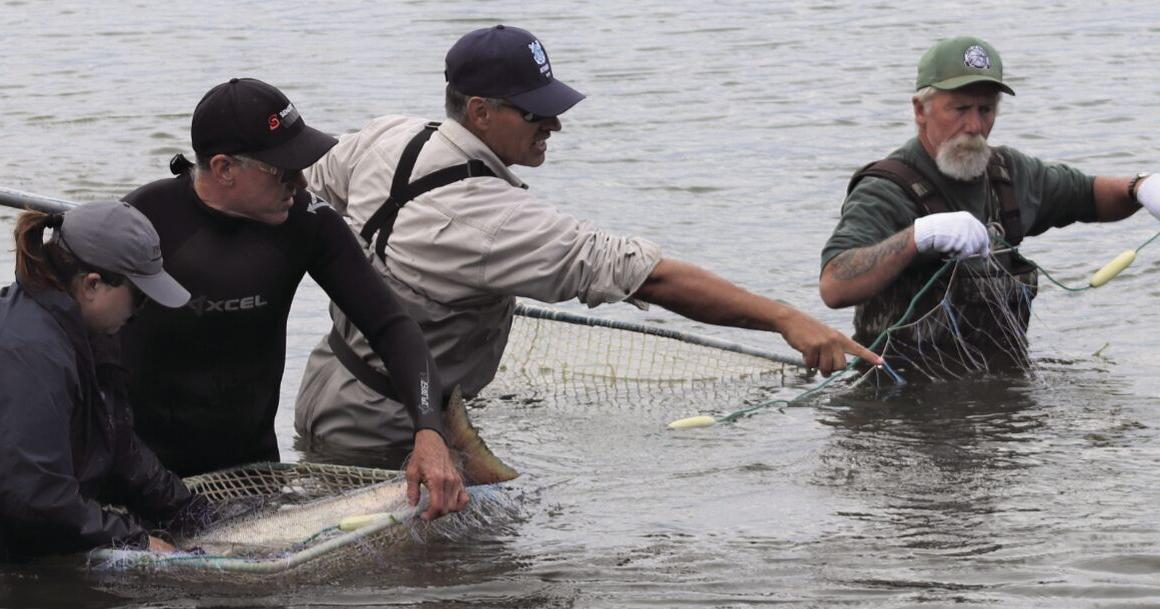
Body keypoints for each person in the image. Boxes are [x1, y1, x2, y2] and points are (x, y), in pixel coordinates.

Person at [294, 24, 881, 454]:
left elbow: (300, 190)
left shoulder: (388, 136)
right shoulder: (497, 222)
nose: (554, 125)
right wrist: (784, 318)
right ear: (479, 112)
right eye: (535, 113)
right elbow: (650, 277)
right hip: (385, 425)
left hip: (328, 382)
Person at [119, 78, 466, 520]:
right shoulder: (146, 219)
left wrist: (429, 431)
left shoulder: (308, 222)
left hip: (250, 475)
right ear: (224, 168)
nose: (300, 181)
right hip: (138, 471)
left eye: (302, 165)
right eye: (283, 169)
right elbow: (77, 344)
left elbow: (393, 327)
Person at [819, 36, 1160, 374]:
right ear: (920, 110)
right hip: (904, 395)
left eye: (986, 109)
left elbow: (1088, 195)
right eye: (961, 109)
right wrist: (918, 237)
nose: (975, 126)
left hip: (1000, 388)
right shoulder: (886, 189)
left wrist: (1139, 187)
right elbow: (834, 285)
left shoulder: (1009, 174)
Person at [0, 201, 207, 561]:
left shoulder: (83, 328)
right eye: (139, 297)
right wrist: (134, 541)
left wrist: (184, 510)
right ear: (91, 284)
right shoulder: (30, 353)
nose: (139, 312)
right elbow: (33, 495)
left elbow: (115, 441)